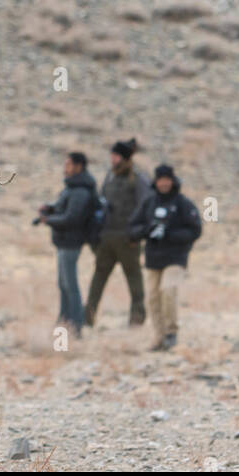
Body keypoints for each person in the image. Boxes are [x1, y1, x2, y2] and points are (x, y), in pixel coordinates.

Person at [128, 164, 201, 352]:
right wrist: (147, 231)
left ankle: (171, 333)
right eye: (160, 180)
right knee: (153, 297)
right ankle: (159, 337)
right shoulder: (149, 202)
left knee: (168, 290)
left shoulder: (182, 203)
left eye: (167, 179)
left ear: (172, 180)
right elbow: (132, 228)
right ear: (156, 181)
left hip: (176, 257)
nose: (164, 183)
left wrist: (170, 233)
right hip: (153, 258)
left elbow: (195, 229)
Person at [85, 138, 152, 327]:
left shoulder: (138, 179)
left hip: (127, 239)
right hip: (106, 237)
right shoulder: (110, 177)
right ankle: (88, 317)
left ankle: (137, 319)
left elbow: (146, 206)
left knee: (134, 279)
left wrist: (137, 234)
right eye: (112, 156)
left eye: (116, 156)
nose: (113, 159)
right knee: (98, 277)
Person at [35, 152, 98, 337]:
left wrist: (49, 219)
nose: (66, 168)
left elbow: (72, 218)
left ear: (79, 166)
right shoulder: (71, 187)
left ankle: (76, 327)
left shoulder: (80, 190)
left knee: (70, 285)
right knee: (63, 284)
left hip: (71, 243)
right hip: (63, 242)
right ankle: (64, 322)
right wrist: (50, 209)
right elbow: (64, 208)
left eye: (69, 164)